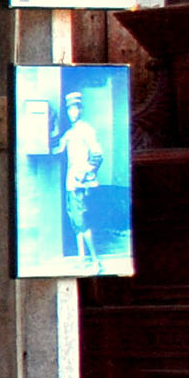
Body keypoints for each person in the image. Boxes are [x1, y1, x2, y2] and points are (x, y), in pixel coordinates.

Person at [60, 87, 108, 263]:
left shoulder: (87, 129)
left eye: (76, 108)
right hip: (71, 182)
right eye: (70, 109)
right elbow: (59, 148)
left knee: (83, 221)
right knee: (75, 220)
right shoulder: (70, 132)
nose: (73, 112)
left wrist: (84, 173)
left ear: (81, 109)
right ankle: (82, 257)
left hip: (81, 183)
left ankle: (95, 260)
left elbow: (97, 155)